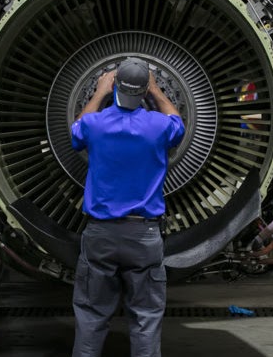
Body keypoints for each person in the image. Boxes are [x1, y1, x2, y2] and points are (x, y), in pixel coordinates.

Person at [70, 58, 185, 357]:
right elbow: (179, 124)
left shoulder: (94, 125)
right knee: (146, 320)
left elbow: (76, 131)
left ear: (114, 86)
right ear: (144, 89)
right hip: (143, 236)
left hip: (101, 235)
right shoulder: (160, 127)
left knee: (91, 318)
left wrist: (99, 93)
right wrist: (157, 91)